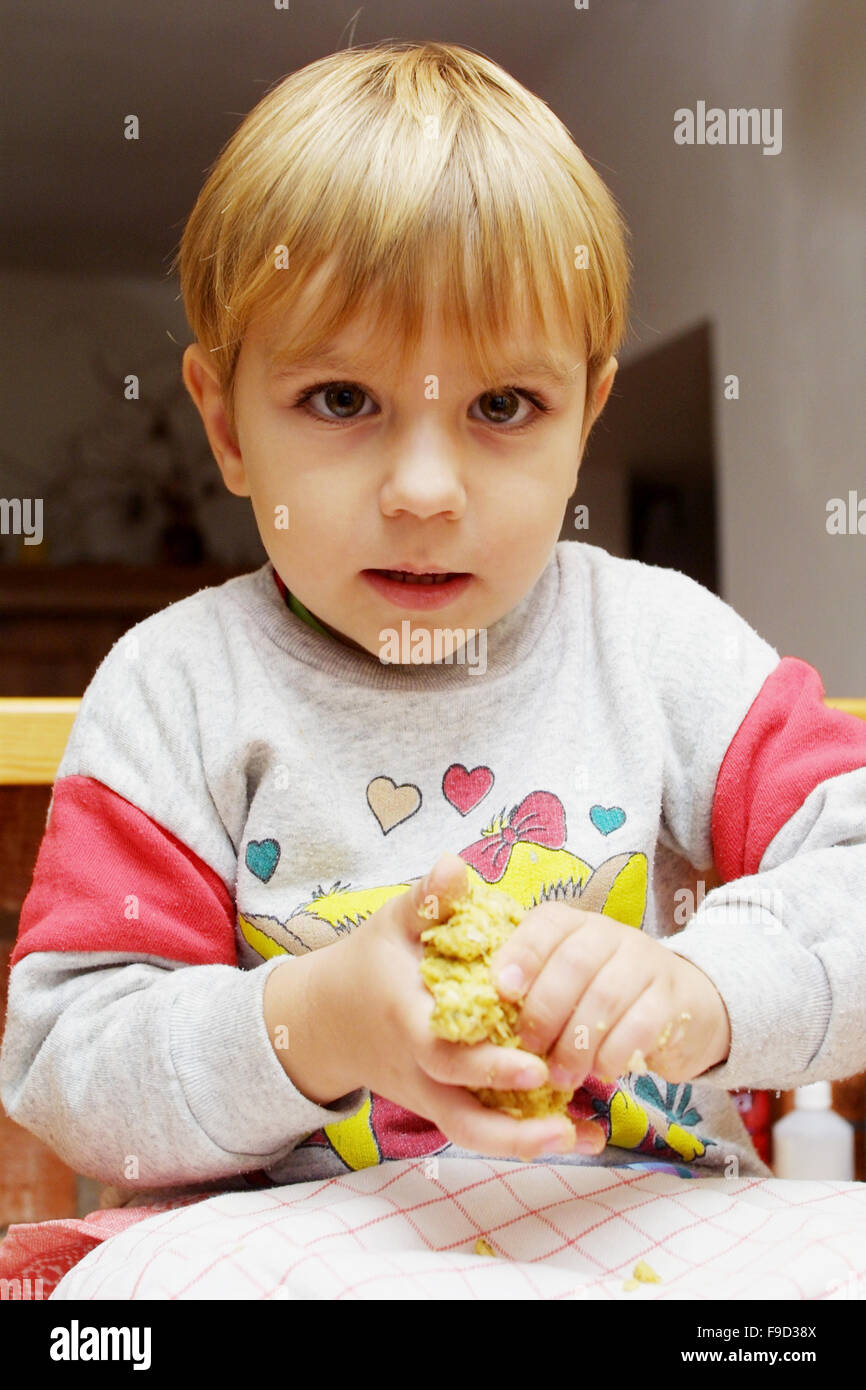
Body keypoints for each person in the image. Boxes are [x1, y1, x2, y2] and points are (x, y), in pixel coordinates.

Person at [3, 40, 866, 1239]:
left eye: (500, 406)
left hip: (642, 1230)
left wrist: (705, 987)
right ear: (226, 424)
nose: (422, 489)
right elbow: (70, 1072)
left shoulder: (664, 648)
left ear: (582, 419)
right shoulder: (175, 690)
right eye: (341, 400)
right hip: (295, 1255)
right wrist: (319, 1022)